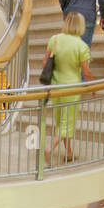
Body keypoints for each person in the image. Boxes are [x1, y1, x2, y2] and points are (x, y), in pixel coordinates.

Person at [42, 11, 92, 165]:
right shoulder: (82, 46)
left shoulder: (55, 39)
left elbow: (45, 62)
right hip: (71, 88)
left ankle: (69, 153)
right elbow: (86, 71)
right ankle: (50, 148)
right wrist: (93, 86)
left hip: (55, 87)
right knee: (67, 123)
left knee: (60, 121)